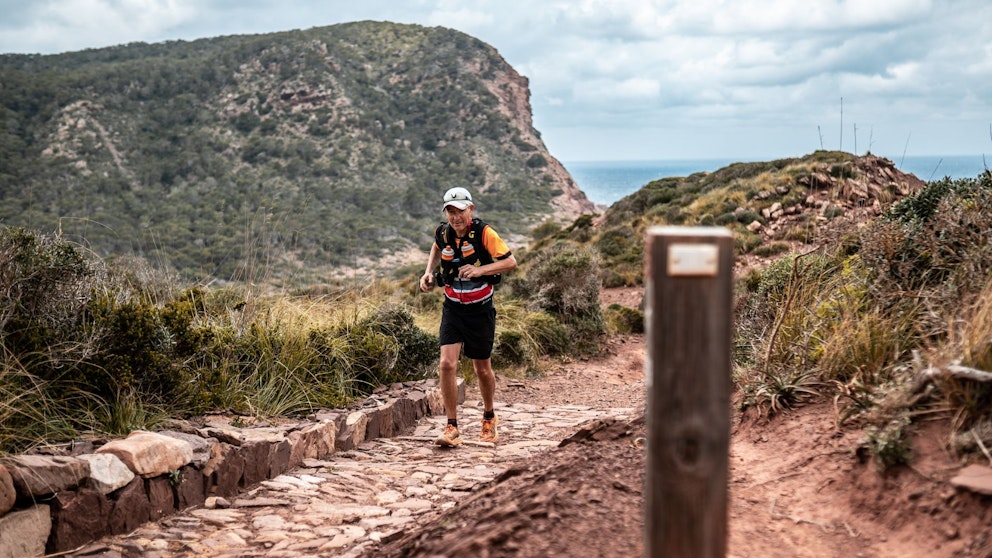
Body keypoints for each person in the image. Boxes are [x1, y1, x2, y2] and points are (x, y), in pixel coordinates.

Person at [419, 186, 517, 447]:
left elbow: (510, 262)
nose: (455, 217)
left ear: (470, 209)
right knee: (447, 364)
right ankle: (451, 426)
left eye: (460, 211)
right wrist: (428, 273)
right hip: (452, 307)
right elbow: (436, 247)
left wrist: (480, 270)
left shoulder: (485, 233)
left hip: (480, 309)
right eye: (450, 211)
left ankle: (488, 417)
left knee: (481, 369)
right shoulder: (443, 232)